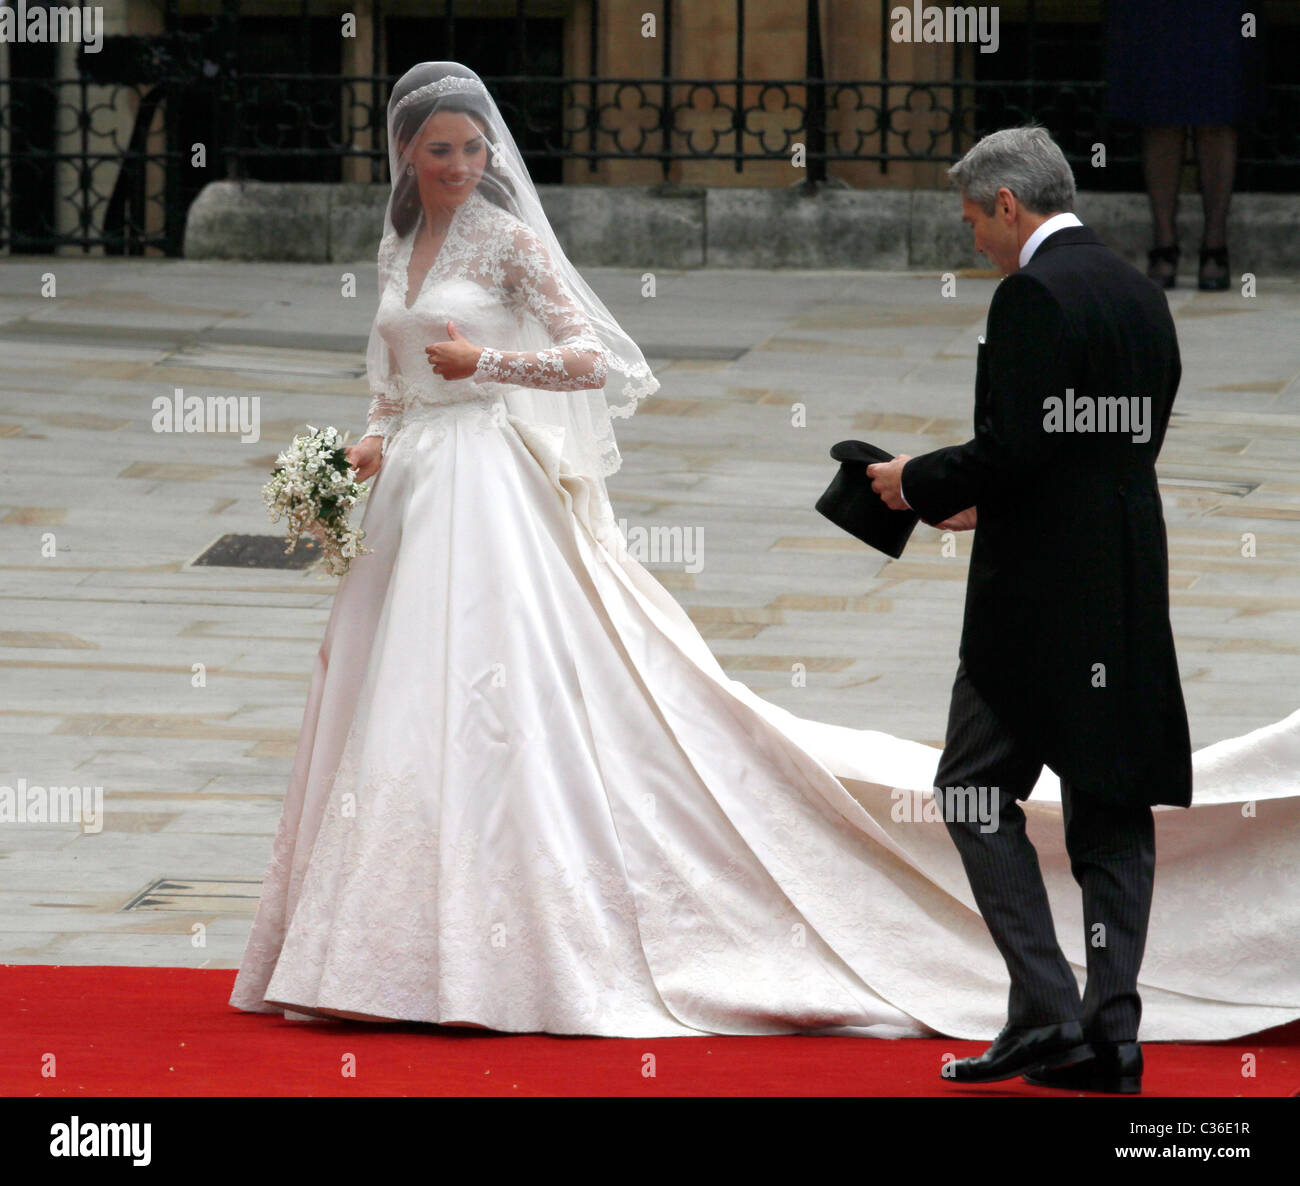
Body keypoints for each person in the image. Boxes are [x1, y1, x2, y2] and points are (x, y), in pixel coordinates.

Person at [230, 66, 1300, 1077]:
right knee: (1110, 809)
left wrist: (908, 483)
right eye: (439, 150)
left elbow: (1014, 446)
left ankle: (1044, 1008)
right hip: (1123, 590)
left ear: (1009, 204)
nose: (968, 238)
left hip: (1030, 603)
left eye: (972, 219)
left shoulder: (1031, 300)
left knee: (972, 791)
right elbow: (1112, 450)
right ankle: (1104, 1032)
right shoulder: (1143, 296)